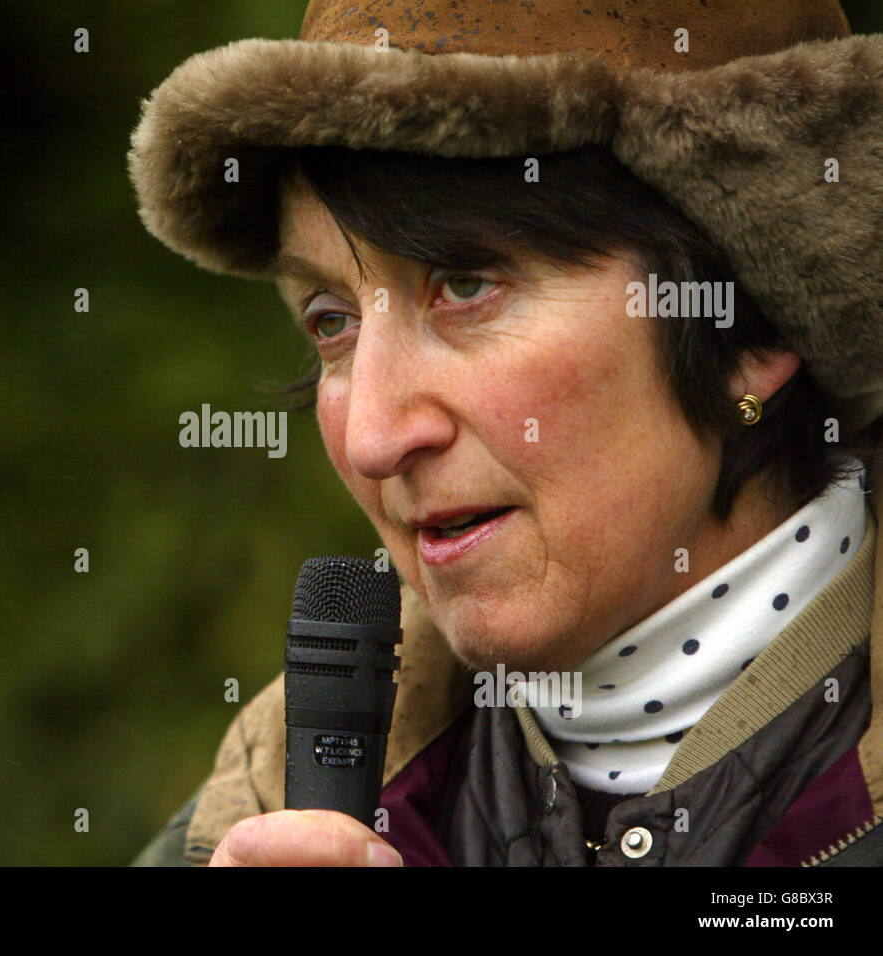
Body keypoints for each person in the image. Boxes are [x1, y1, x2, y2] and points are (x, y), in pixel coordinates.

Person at [125, 0, 883, 866]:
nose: (373, 438)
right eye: (331, 321)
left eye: (465, 285)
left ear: (751, 329)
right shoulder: (253, 819)